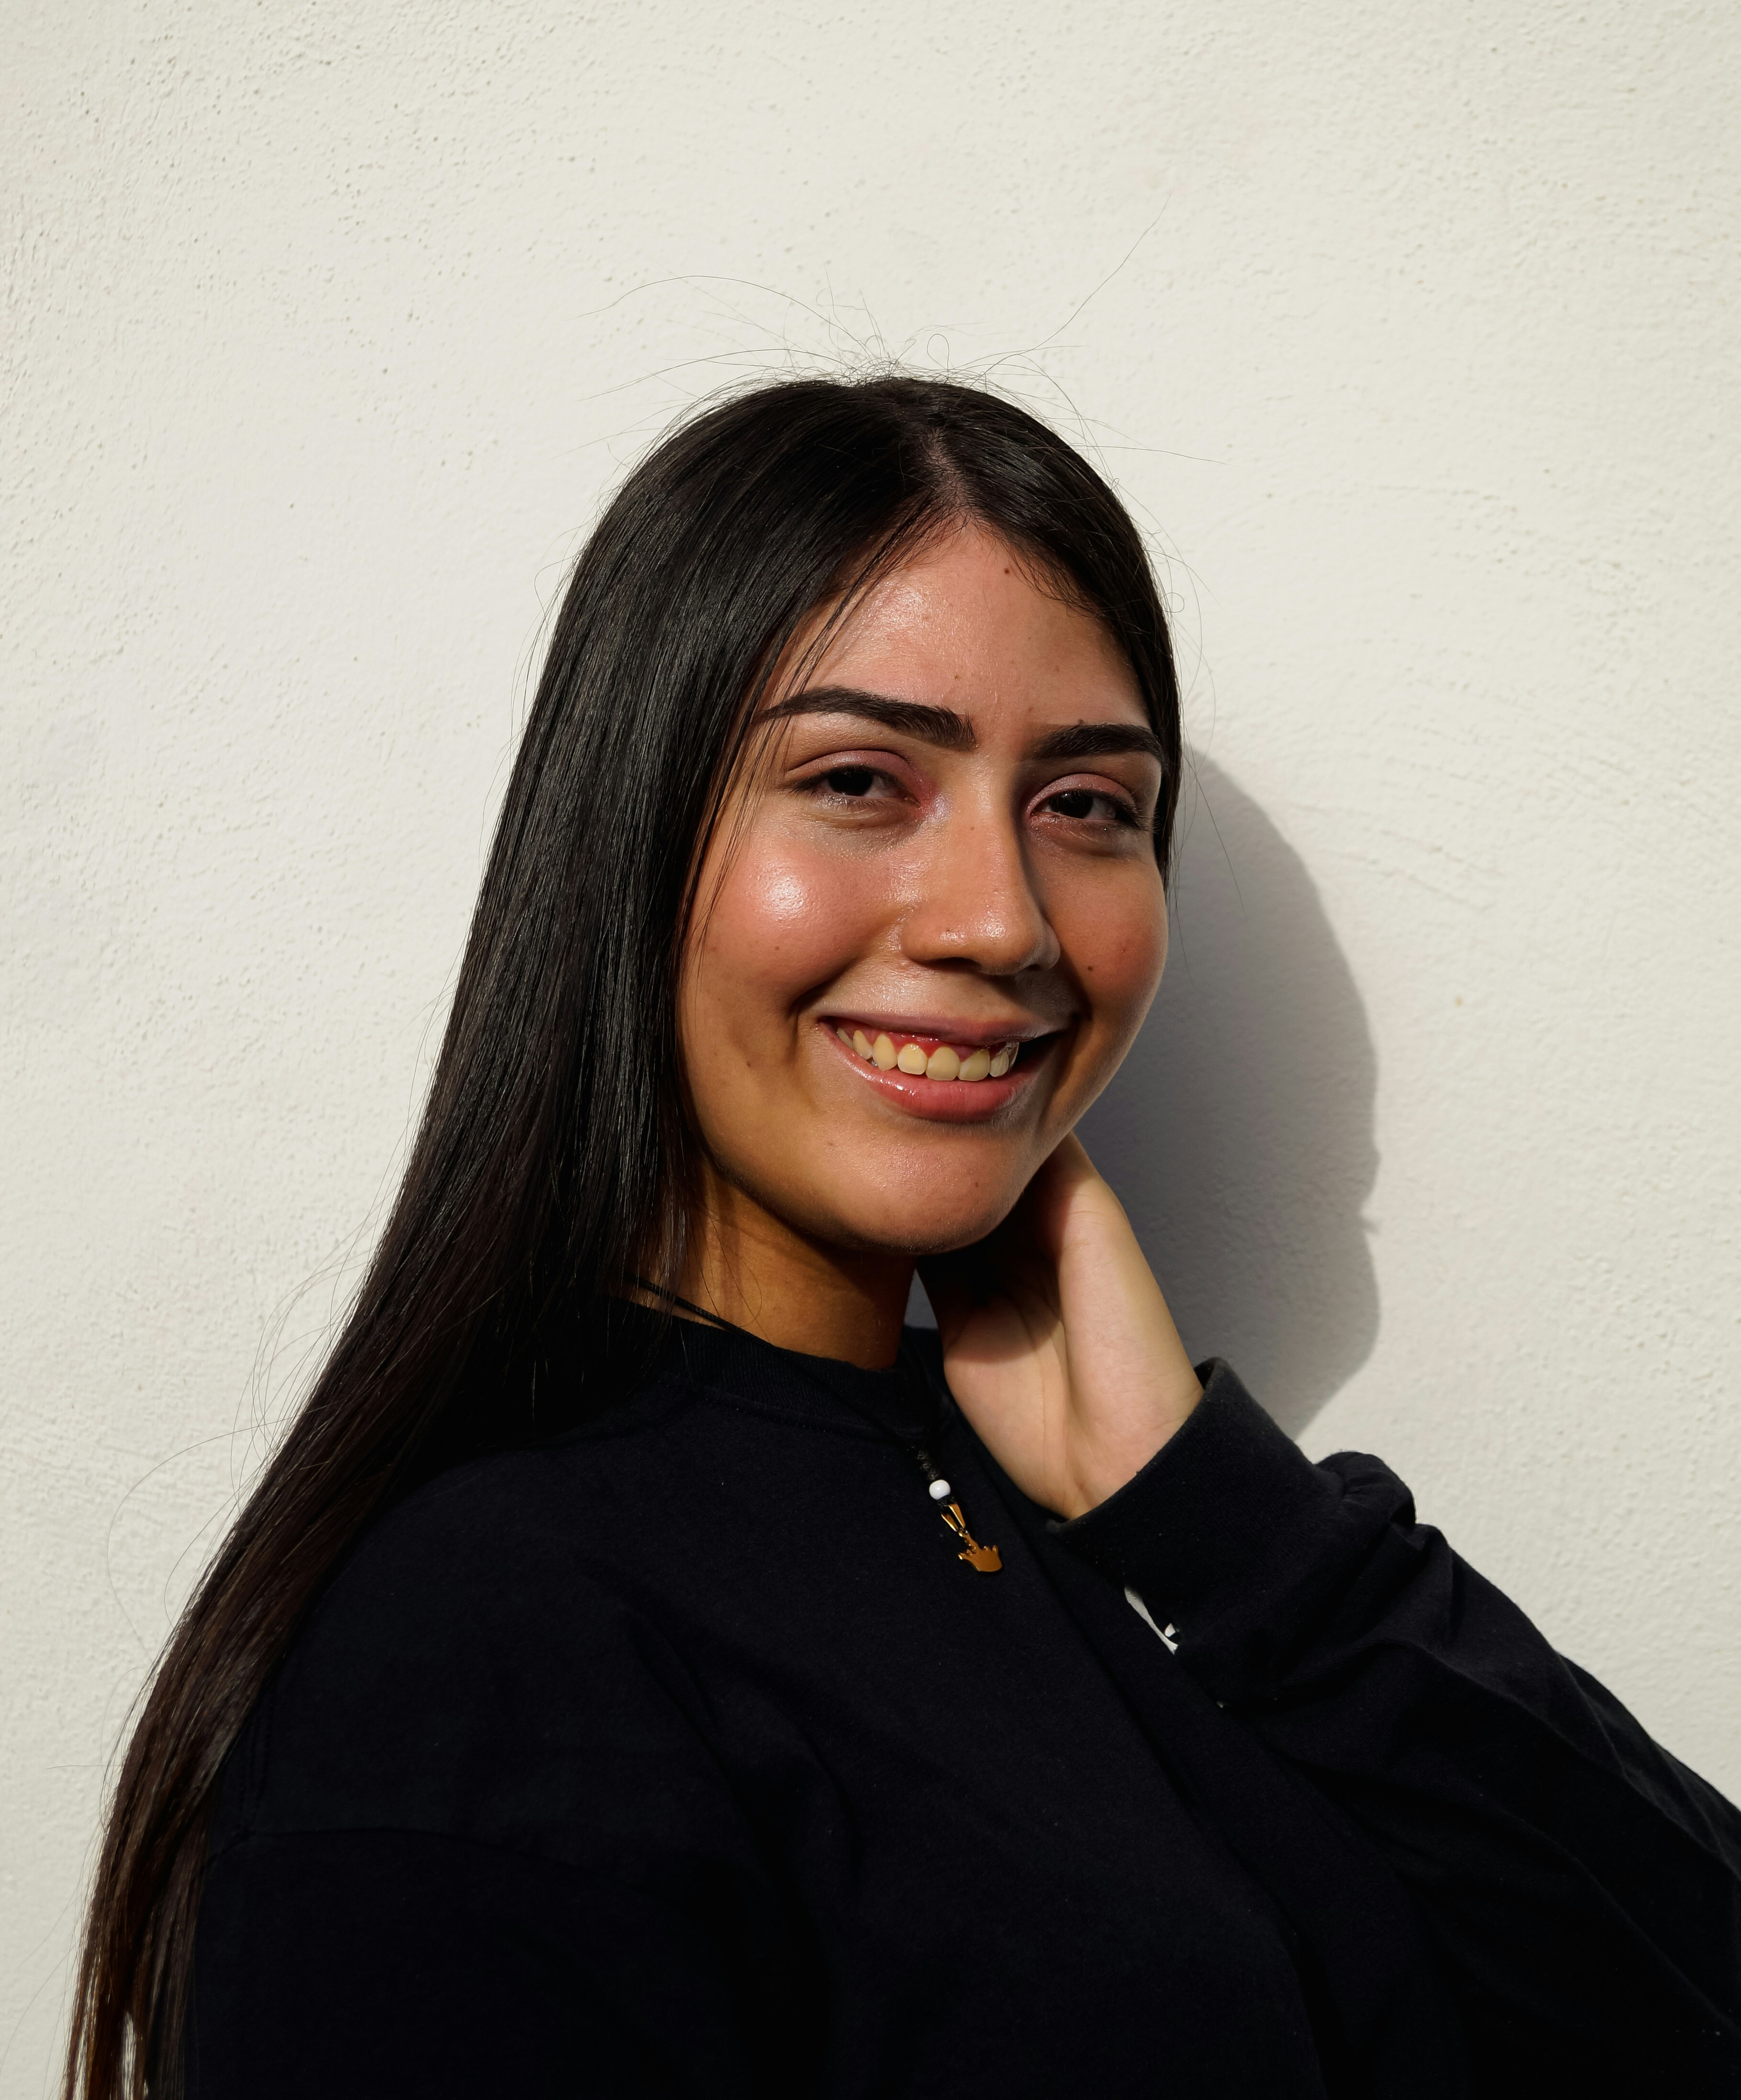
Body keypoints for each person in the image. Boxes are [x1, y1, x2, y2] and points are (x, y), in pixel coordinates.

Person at [67, 376, 1741, 2100]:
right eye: (864, 780)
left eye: (1088, 806)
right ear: (625, 843)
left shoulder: (1118, 1532)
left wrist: (1233, 1533)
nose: (1005, 922)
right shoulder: (481, 1646)